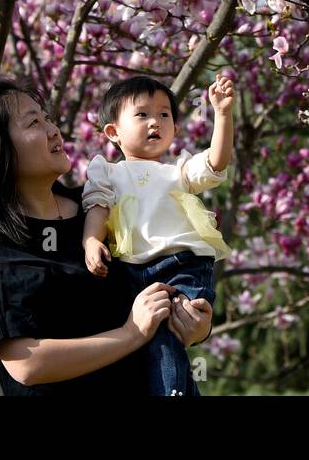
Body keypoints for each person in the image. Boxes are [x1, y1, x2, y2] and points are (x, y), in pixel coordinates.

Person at [0, 77, 213, 396]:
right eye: (33, 123)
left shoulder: (100, 210)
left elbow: (167, 271)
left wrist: (194, 321)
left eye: (46, 117)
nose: (53, 130)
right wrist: (131, 333)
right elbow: (27, 364)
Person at [81, 72, 234, 396]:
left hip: (181, 266)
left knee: (166, 334)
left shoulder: (177, 172)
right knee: (142, 338)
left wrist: (222, 114)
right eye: (142, 114)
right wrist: (91, 240)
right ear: (113, 132)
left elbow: (216, 163)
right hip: (129, 269)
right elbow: (98, 208)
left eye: (164, 114)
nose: (156, 122)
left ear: (175, 130)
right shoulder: (107, 172)